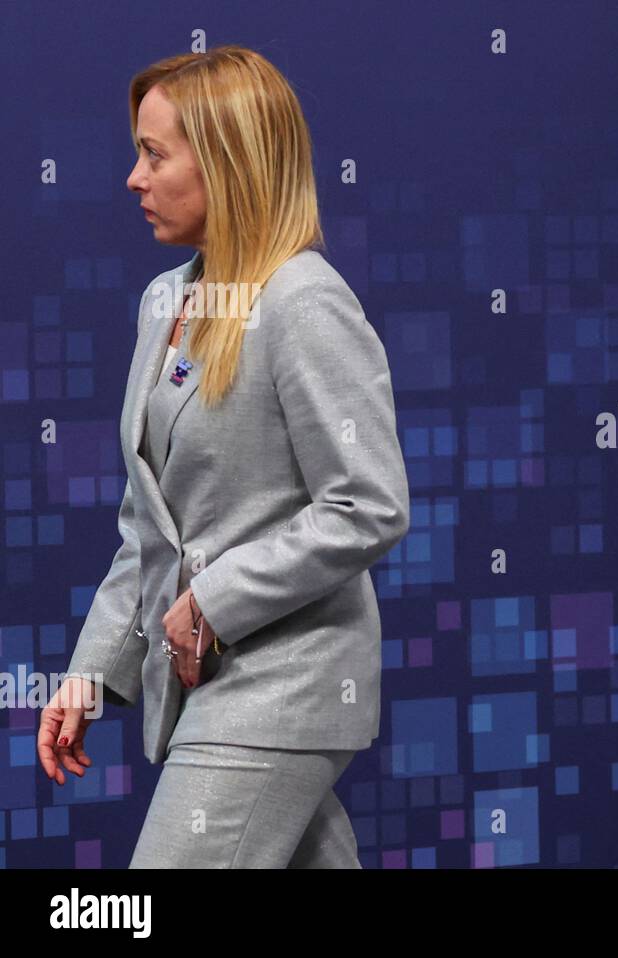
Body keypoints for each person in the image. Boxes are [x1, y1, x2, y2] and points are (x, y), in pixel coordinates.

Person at [38, 46, 410, 868]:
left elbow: (369, 503)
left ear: (228, 162)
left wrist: (216, 597)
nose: (133, 179)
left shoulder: (303, 301)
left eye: (153, 154)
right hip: (206, 688)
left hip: (285, 685)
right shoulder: (165, 299)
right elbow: (149, 527)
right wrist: (92, 672)